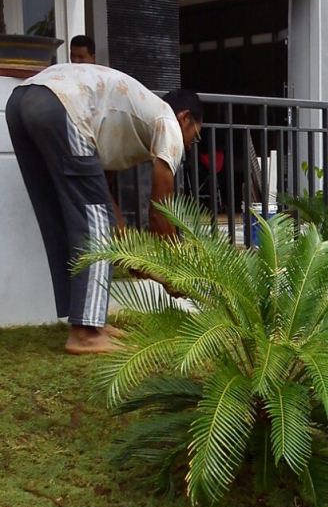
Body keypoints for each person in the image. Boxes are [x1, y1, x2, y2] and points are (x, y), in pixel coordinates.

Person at [6, 64, 202, 354]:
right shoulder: (168, 121)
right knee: (94, 220)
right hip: (62, 104)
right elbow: (162, 209)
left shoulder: (119, 125)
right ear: (185, 119)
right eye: (194, 137)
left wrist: (133, 258)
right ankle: (85, 333)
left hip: (20, 102)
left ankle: (90, 321)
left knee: (64, 216)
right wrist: (174, 270)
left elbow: (107, 207)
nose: (190, 145)